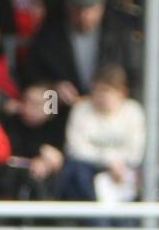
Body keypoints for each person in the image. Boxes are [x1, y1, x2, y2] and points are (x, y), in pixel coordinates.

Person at [58, 64, 145, 203]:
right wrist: (109, 160)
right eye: (96, 90)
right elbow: (75, 149)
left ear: (121, 92)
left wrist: (117, 163)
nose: (100, 96)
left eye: (106, 91)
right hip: (88, 171)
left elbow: (135, 153)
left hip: (123, 171)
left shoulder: (133, 111)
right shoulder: (81, 110)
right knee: (77, 172)